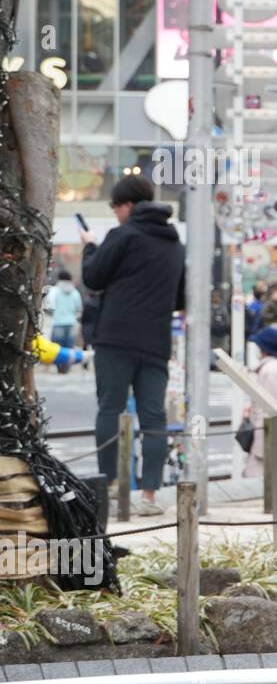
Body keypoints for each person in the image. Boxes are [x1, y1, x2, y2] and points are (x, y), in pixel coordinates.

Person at [79, 174, 185, 518]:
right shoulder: (174, 243)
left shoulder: (122, 235)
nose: (114, 213)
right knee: (153, 417)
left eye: (115, 206)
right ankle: (149, 496)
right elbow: (180, 297)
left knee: (110, 409)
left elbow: (94, 278)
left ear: (128, 205)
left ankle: (109, 486)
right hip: (155, 340)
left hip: (116, 338)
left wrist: (90, 247)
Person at [242, 328, 277, 478]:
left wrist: (260, 445)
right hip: (276, 433)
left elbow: (268, 408)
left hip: (268, 437)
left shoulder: (269, 371)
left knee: (256, 480)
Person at [45, 270, 82, 375]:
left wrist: (55, 314)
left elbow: (48, 306)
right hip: (71, 323)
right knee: (69, 347)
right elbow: (79, 308)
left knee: (57, 347)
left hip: (58, 323)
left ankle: (59, 368)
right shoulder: (75, 292)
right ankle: (66, 368)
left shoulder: (54, 291)